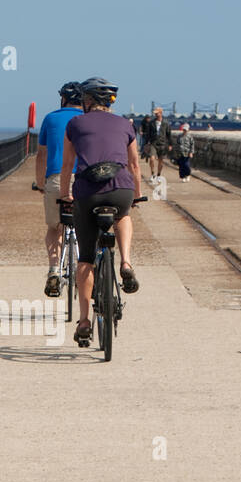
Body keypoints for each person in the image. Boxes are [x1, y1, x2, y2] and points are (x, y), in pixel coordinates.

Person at [58, 76, 142, 347]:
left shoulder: (75, 124)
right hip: (120, 189)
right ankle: (126, 263)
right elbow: (134, 165)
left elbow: (67, 164)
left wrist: (64, 195)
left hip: (88, 191)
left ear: (88, 101)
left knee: (85, 258)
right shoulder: (126, 124)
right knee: (124, 215)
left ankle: (83, 322)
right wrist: (137, 195)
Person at [32, 82, 82, 296]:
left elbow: (41, 155)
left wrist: (41, 184)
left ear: (63, 99)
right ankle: (87, 269)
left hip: (55, 179)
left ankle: (54, 270)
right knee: (86, 226)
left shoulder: (50, 118)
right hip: (83, 180)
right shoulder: (87, 120)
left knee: (55, 227)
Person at [148, 107, 171, 183]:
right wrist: (146, 143)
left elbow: (169, 134)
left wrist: (170, 144)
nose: (156, 114)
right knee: (152, 159)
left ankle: (158, 175)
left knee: (161, 161)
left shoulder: (166, 123)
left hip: (162, 144)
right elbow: (148, 134)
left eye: (157, 113)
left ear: (161, 113)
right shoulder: (151, 123)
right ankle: (152, 174)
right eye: (155, 113)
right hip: (153, 143)